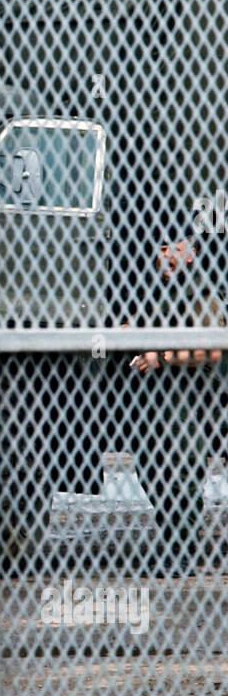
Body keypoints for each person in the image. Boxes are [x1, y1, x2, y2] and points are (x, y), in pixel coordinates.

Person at [122, 232, 225, 575]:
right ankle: (173, 542)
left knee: (179, 471)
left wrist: (161, 356)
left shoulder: (202, 292)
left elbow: (209, 349)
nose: (165, 254)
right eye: (161, 246)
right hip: (158, 402)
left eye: (175, 248)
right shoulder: (158, 291)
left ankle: (181, 550)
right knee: (154, 468)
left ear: (192, 255)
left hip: (189, 400)